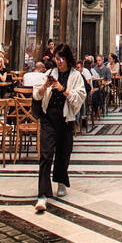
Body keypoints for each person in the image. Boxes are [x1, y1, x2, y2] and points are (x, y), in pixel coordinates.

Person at [33, 44, 85, 212]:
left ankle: (61, 180)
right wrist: (45, 87)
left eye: (61, 59)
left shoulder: (76, 76)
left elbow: (79, 98)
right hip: (48, 117)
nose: (58, 62)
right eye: (56, 59)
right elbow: (36, 95)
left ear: (67, 59)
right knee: (46, 154)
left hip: (65, 119)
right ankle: (43, 194)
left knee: (63, 152)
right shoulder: (49, 74)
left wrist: (64, 90)